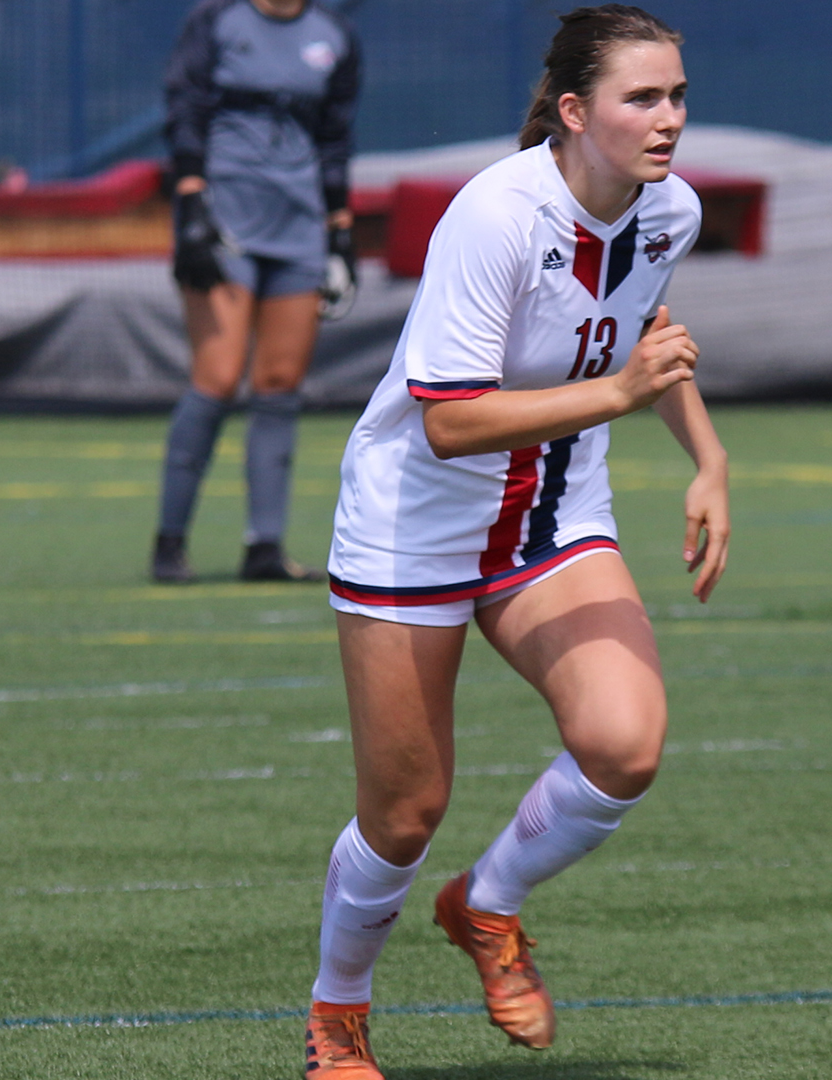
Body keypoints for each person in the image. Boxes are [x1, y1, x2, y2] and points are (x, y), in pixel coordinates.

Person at [299, 7, 729, 1076]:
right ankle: (338, 1012)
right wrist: (619, 393)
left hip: (550, 517)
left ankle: (485, 905)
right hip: (414, 525)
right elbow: (447, 420)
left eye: (677, 95)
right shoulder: (495, 215)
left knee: (625, 743)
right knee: (405, 813)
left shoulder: (670, 210)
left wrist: (708, 460)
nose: (668, 118)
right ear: (576, 112)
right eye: (643, 98)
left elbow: (650, 347)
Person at [154, 0, 360, 583]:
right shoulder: (216, 20)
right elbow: (186, 106)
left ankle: (263, 547)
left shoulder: (333, 34)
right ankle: (169, 542)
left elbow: (335, 134)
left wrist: (339, 230)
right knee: (217, 377)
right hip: (225, 216)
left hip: (299, 223)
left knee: (279, 383)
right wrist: (190, 198)